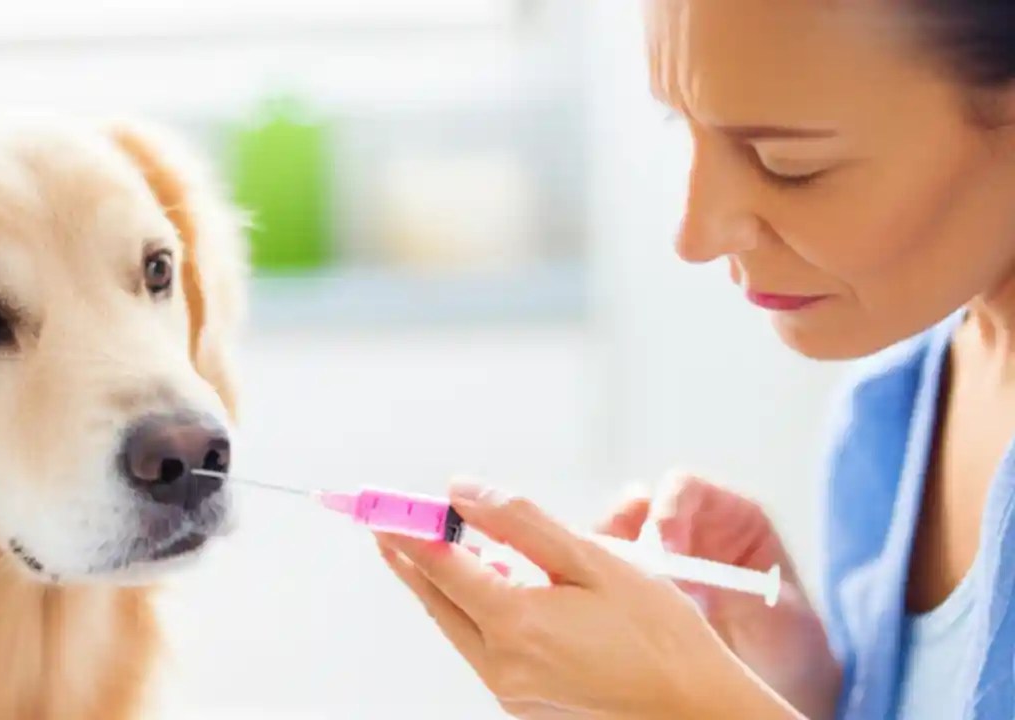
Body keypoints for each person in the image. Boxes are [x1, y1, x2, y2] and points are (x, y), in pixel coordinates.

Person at [374, 0, 1015, 717]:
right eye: (685, 124)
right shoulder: (887, 424)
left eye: (790, 166)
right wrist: (801, 688)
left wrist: (690, 701)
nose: (695, 234)